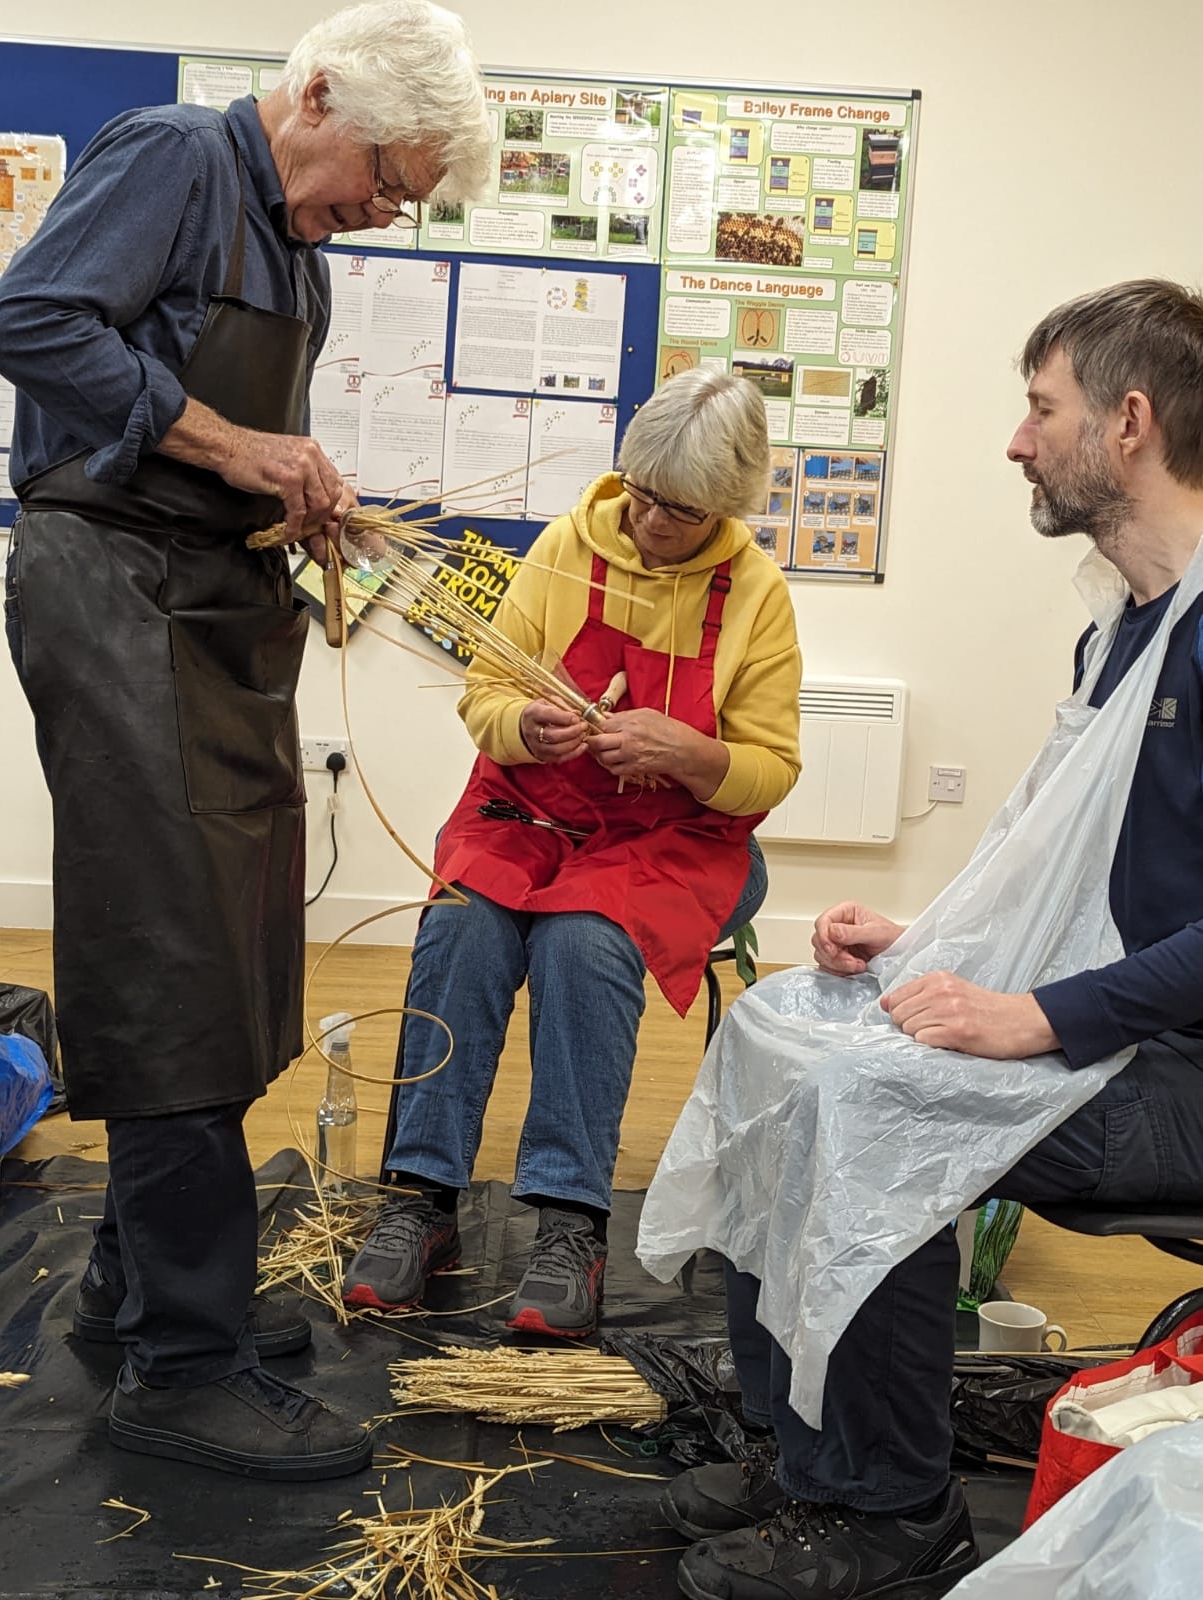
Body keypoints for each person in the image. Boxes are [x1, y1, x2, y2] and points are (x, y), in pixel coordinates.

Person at [0, 1, 489, 1480]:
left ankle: (141, 1287)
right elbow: (28, 319)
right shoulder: (173, 157)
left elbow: (219, 426)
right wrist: (230, 447)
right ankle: (183, 1365)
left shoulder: (295, 250)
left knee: (242, 945)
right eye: (385, 179)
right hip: (109, 582)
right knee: (169, 956)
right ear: (319, 93)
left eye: (405, 198)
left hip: (210, 598)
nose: (381, 212)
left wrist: (283, 497)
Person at [662, 278, 1203, 1599]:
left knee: (873, 1099)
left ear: (1128, 423)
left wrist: (1041, 1016)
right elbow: (1089, 866)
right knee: (776, 1032)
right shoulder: (1127, 626)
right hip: (1131, 1028)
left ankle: (887, 1516)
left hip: (1180, 1072)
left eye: (1041, 408)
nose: (1020, 441)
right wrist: (930, 942)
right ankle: (798, 1440)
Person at [343, 369, 802, 1335]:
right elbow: (483, 701)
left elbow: (772, 771)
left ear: (723, 506)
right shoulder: (565, 547)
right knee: (462, 928)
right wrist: (526, 726)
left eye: (675, 511)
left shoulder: (756, 594)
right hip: (527, 810)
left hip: (667, 835)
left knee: (583, 944)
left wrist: (694, 753)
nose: (645, 522)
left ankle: (569, 1217)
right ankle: (419, 1198)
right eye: (637, 494)